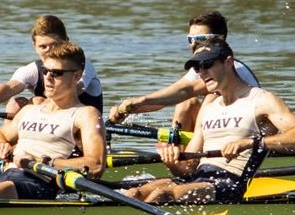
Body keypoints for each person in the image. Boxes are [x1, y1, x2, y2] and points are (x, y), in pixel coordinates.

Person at [126, 40, 295, 204]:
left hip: (229, 184)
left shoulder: (261, 100)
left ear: (228, 62)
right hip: (197, 180)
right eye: (197, 68)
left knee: (164, 194)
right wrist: (172, 163)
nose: (202, 72)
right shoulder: (208, 107)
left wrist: (251, 142)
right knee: (134, 192)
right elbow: (188, 168)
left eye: (207, 64)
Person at [0, 40, 106, 200]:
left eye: (56, 73)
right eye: (45, 70)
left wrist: (41, 161)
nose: (48, 77)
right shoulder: (29, 110)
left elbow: (96, 165)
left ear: (76, 76)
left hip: (39, 182)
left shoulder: (85, 114)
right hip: (6, 174)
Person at [107, 11, 259, 133]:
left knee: (202, 99)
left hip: (244, 131)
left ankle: (183, 158)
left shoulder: (229, 67)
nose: (193, 45)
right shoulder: (201, 68)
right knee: (186, 103)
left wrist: (141, 101)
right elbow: (167, 98)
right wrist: (129, 109)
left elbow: (186, 90)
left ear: (221, 39)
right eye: (190, 39)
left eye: (200, 38)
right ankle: (181, 159)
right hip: (221, 128)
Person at [0, 13, 104, 118]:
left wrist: (35, 107)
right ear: (34, 46)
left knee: (36, 101)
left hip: (82, 133)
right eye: (43, 46)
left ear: (66, 41)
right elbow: (8, 88)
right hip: (48, 130)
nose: (49, 51)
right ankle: (8, 151)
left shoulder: (83, 66)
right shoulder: (32, 70)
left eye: (54, 45)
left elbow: (75, 89)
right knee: (14, 103)